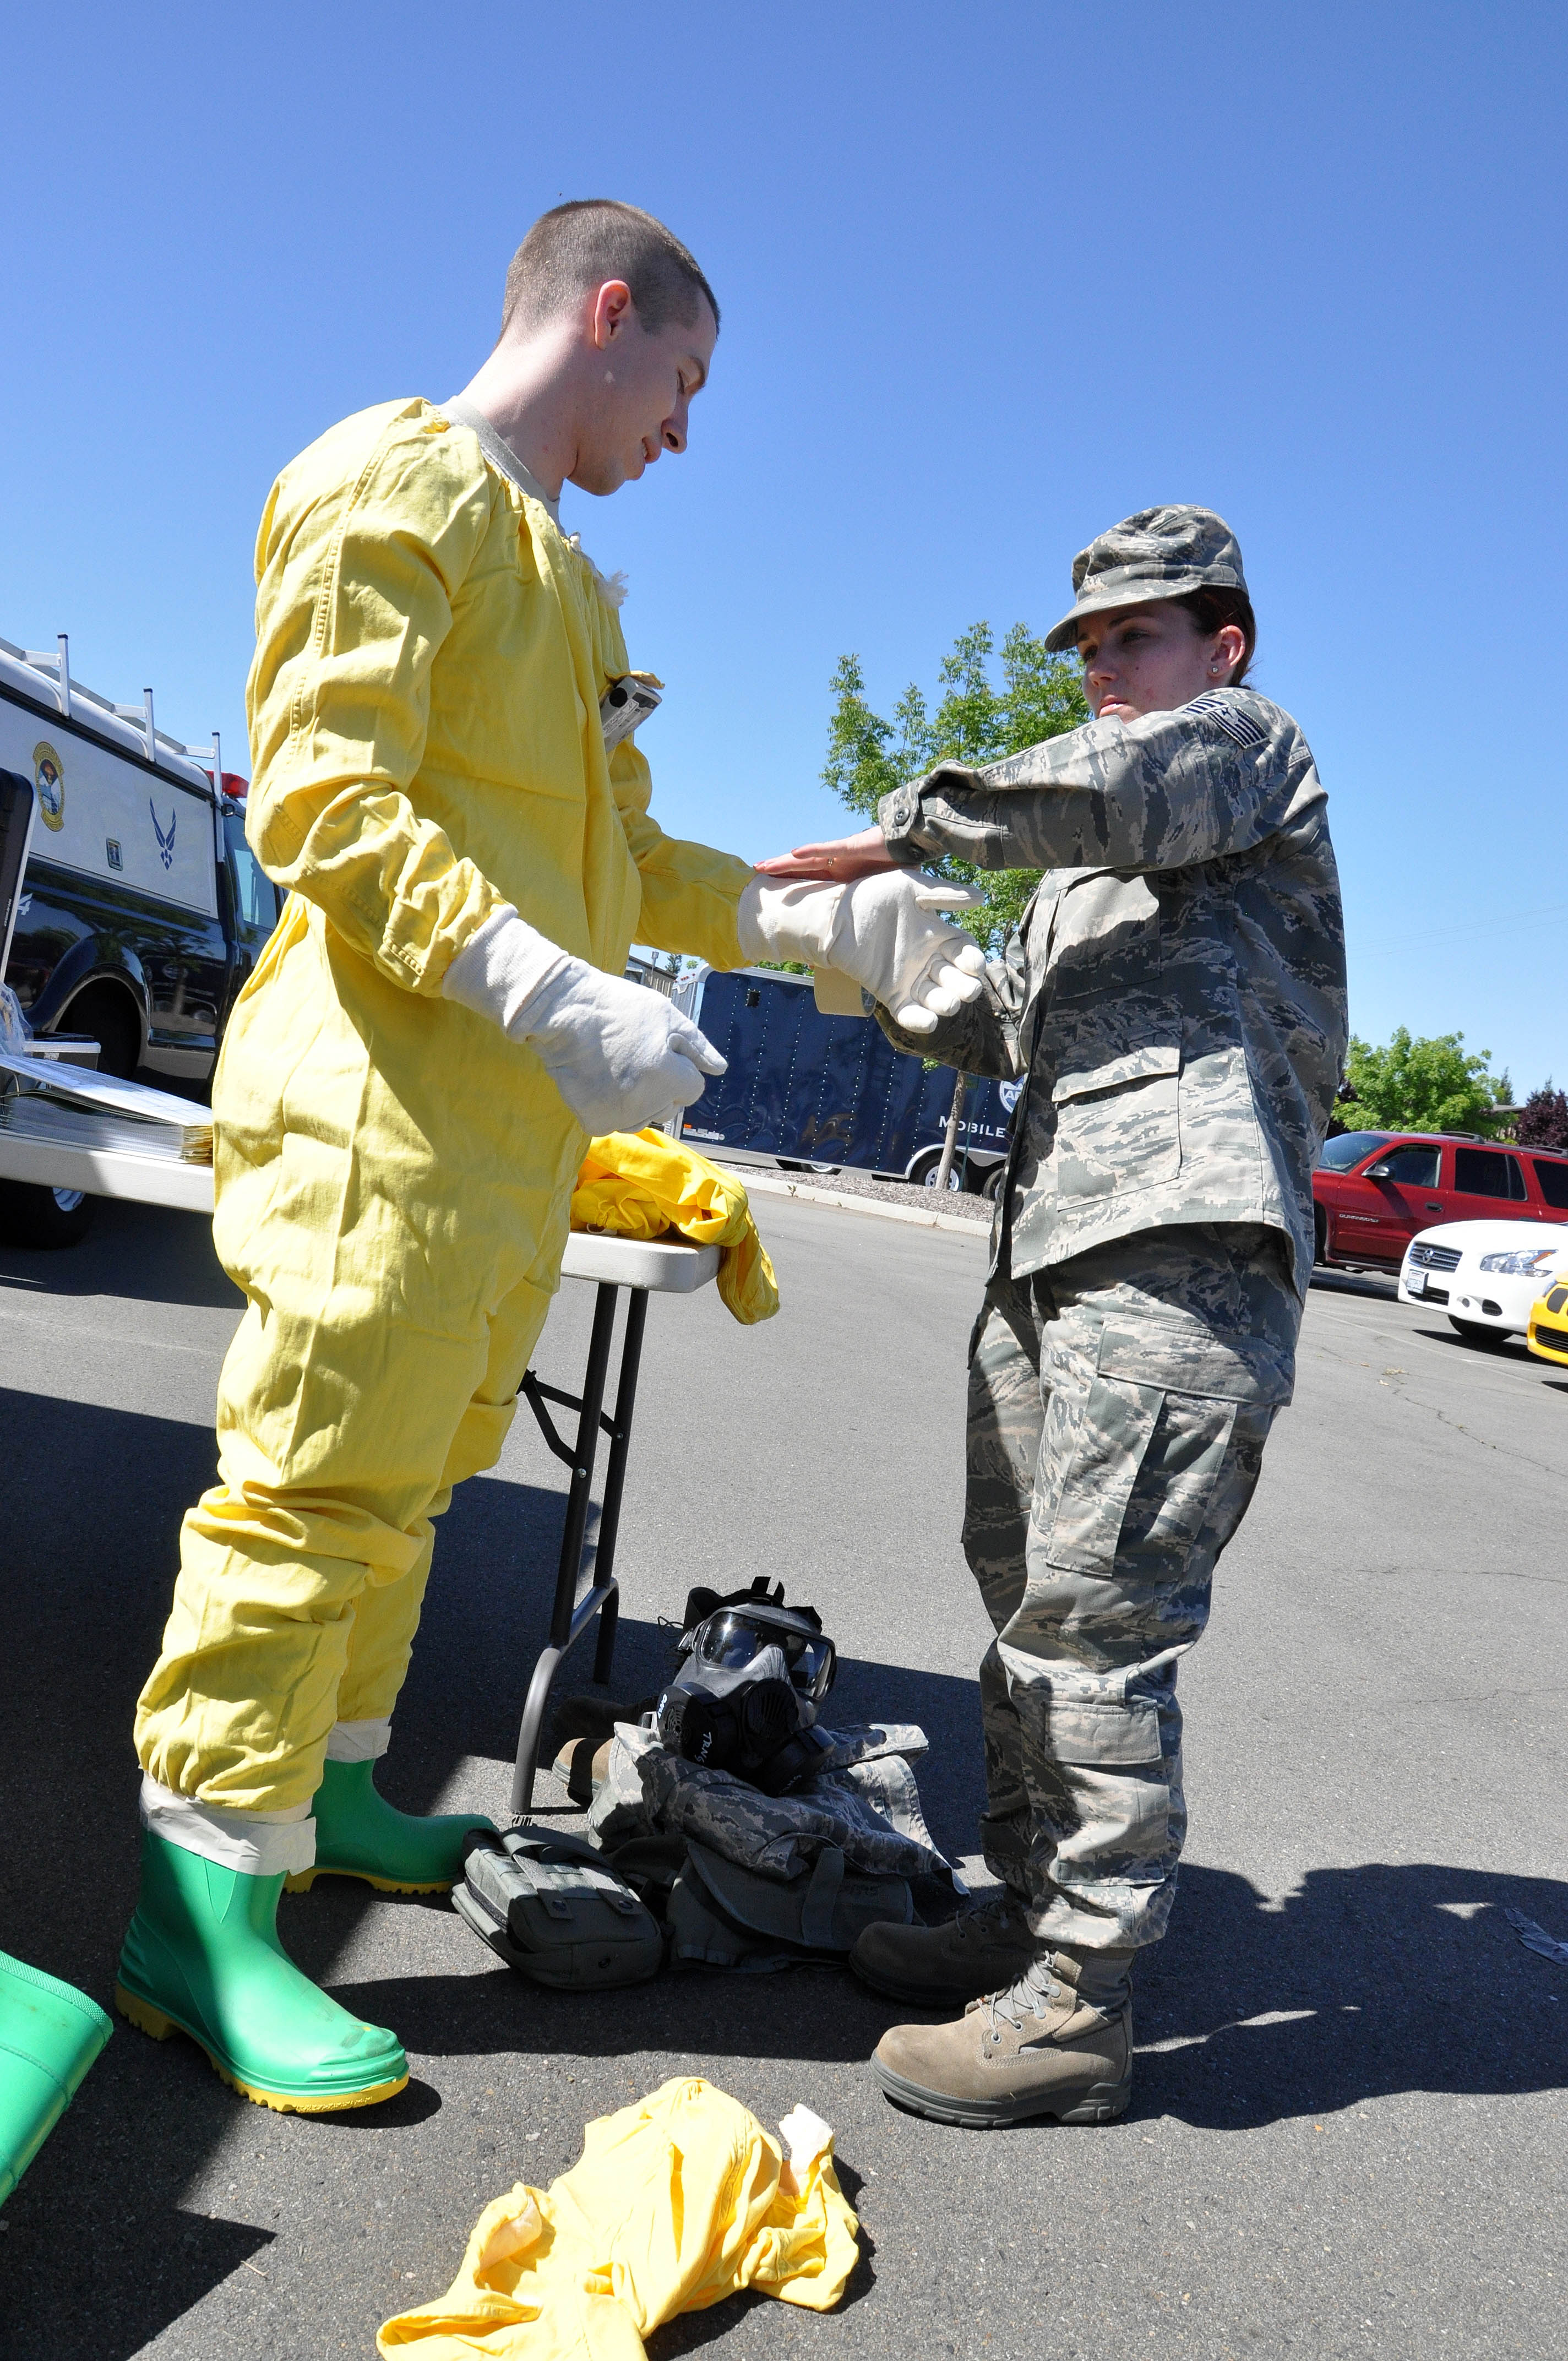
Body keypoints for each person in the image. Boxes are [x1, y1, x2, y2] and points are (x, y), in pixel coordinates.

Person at [117, 199, 987, 2114]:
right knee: (310, 1500)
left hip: (501, 1137)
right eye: (682, 380)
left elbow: (617, 863)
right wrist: (538, 983)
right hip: (380, 1105)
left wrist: (813, 928)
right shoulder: (385, 481)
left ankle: (334, 1802)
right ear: (608, 316)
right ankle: (194, 1918)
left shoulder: (568, 580)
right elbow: (322, 800)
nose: (684, 428)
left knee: (409, 1495)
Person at [757, 508, 1348, 2127]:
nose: (1105, 670)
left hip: (1184, 1257)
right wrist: (861, 948)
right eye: (1087, 647)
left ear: (1220, 645)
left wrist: (910, 832)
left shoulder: (1235, 753)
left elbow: (1106, 788)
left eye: (1133, 639)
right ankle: (1026, 1925)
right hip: (1051, 1258)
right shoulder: (1079, 870)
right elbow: (993, 1024)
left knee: (1097, 1629)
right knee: (1023, 1605)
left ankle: (1084, 2009)